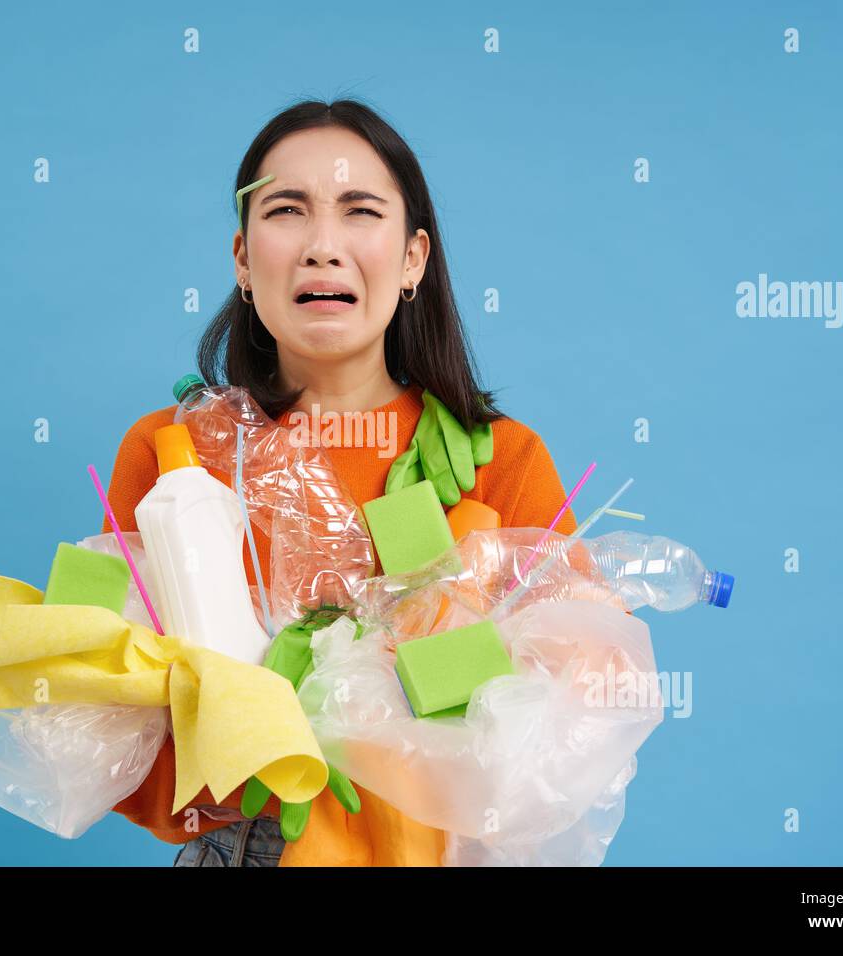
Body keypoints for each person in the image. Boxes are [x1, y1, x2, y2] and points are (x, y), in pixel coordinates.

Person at [101, 98, 579, 867]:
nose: (324, 246)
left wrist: (416, 689)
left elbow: (569, 717)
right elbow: (109, 718)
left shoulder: (501, 461)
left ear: (414, 258)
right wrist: (250, 748)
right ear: (242, 259)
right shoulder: (177, 454)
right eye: (287, 210)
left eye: (360, 211)